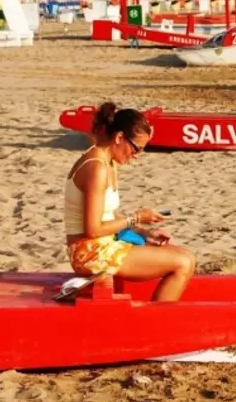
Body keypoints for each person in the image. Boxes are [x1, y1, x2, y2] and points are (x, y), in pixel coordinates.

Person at [64, 102, 195, 302]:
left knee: (185, 255)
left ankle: (156, 320)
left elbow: (106, 216)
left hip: (102, 244)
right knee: (183, 263)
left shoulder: (107, 162)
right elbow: (92, 229)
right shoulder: (96, 168)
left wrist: (144, 232)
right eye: (136, 149)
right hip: (89, 253)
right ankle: (155, 326)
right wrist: (136, 218)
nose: (136, 156)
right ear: (119, 137)